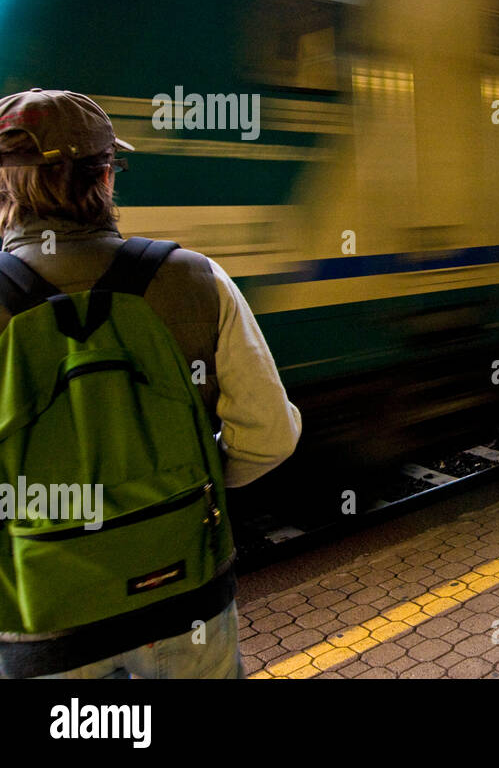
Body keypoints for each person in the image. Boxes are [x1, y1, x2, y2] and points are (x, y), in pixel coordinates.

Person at [0, 89, 301, 679]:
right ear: (105, 178)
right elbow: (270, 437)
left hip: (43, 626)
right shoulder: (196, 279)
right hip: (186, 601)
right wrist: (195, 483)